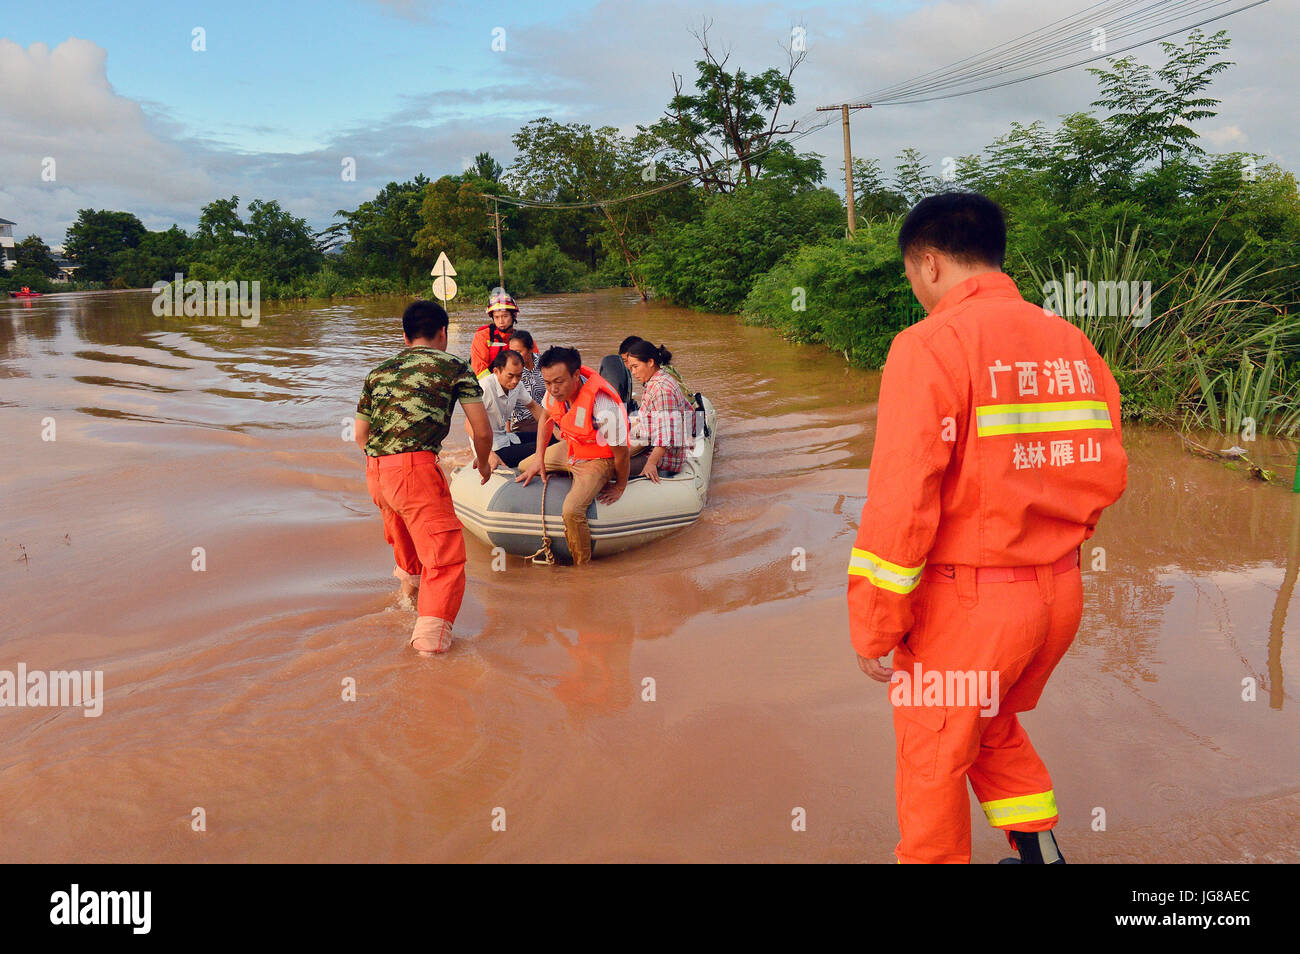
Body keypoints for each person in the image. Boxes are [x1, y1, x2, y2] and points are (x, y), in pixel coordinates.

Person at [847, 192, 1128, 864]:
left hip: (972, 608)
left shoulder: (930, 344)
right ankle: (1041, 857)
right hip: (1056, 596)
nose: (916, 291)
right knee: (989, 723)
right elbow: (1104, 464)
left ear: (931, 263)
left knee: (931, 757)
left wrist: (874, 621)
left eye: (912, 276)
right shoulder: (1071, 343)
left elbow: (902, 499)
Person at [355, 300, 494, 655]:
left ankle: (407, 604)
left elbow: (360, 435)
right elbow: (481, 429)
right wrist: (482, 463)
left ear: (405, 336)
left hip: (376, 471)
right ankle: (429, 651)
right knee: (444, 560)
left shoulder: (378, 372)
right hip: (414, 471)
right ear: (443, 333)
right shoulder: (455, 366)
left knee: (407, 545)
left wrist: (387, 467)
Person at [515, 347, 629, 565]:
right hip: (573, 448)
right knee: (524, 465)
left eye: (559, 382)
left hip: (599, 458)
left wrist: (620, 486)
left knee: (572, 510)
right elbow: (546, 418)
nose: (553, 389)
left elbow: (621, 453)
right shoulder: (553, 392)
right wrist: (539, 457)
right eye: (548, 383)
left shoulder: (603, 405)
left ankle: (581, 568)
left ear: (576, 375)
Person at [624, 339, 696, 482]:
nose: (633, 372)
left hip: (662, 458)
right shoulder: (661, 378)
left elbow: (665, 437)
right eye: (631, 368)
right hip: (650, 447)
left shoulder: (661, 389)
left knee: (606, 468)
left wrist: (651, 464)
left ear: (650, 362)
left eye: (635, 366)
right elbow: (688, 410)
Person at [472, 349, 548, 469]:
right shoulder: (484, 387)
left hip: (506, 438)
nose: (515, 381)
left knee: (550, 439)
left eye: (519, 376)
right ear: (496, 371)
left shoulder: (517, 385)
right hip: (492, 449)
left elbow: (533, 406)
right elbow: (469, 424)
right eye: (510, 376)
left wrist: (555, 430)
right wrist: (487, 454)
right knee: (542, 447)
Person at [471, 288, 536, 378]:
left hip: (518, 382)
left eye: (505, 316)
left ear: (514, 316)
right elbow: (479, 369)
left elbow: (535, 362)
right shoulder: (482, 336)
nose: (501, 321)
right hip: (489, 384)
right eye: (497, 317)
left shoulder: (523, 338)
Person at [619, 334, 691, 398]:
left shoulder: (661, 384)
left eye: (627, 360)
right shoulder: (656, 370)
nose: (628, 365)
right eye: (625, 361)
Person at [508, 329, 545, 432]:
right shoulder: (510, 371)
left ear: (531, 349)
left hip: (548, 416)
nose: (514, 356)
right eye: (511, 352)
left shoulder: (544, 363)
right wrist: (507, 433)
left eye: (518, 352)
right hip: (524, 422)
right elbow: (505, 403)